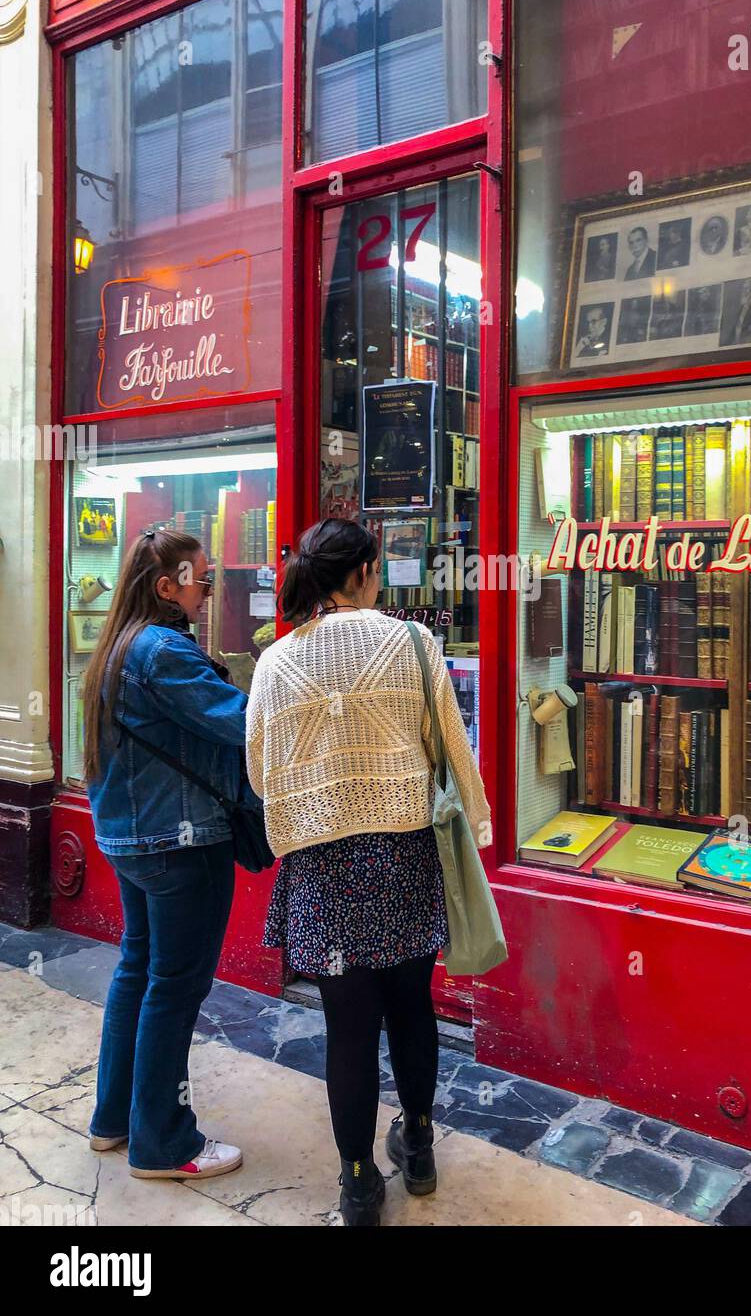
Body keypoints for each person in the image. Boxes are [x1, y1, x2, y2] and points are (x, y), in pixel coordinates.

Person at [246, 518, 491, 1227]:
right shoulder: (411, 643)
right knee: (412, 1008)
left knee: (347, 1028)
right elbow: (450, 746)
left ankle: (357, 1185)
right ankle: (417, 1147)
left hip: (323, 863)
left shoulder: (275, 661)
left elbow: (261, 772)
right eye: (376, 568)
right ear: (361, 573)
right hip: (406, 854)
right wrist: (475, 828)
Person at [85, 528, 252, 1181]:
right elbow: (242, 723)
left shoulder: (120, 645)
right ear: (166, 586)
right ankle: (163, 1142)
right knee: (174, 990)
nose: (209, 589)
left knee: (139, 971)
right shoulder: (162, 652)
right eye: (201, 578)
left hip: (133, 839)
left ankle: (114, 1120)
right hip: (180, 843)